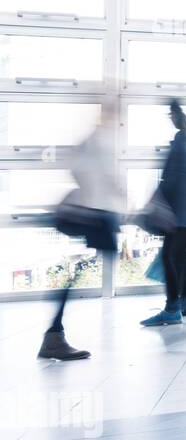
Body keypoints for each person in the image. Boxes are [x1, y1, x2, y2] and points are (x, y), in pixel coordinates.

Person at [39, 105, 125, 360]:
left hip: (89, 213)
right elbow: (107, 179)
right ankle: (53, 335)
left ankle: (54, 333)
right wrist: (119, 197)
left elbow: (77, 170)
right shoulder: (100, 142)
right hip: (94, 215)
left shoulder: (90, 141)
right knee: (90, 264)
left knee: (93, 262)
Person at [140, 100, 186, 326]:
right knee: (180, 257)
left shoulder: (180, 144)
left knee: (172, 257)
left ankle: (174, 308)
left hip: (178, 212)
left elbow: (171, 179)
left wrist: (160, 207)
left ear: (174, 118)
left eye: (169, 116)